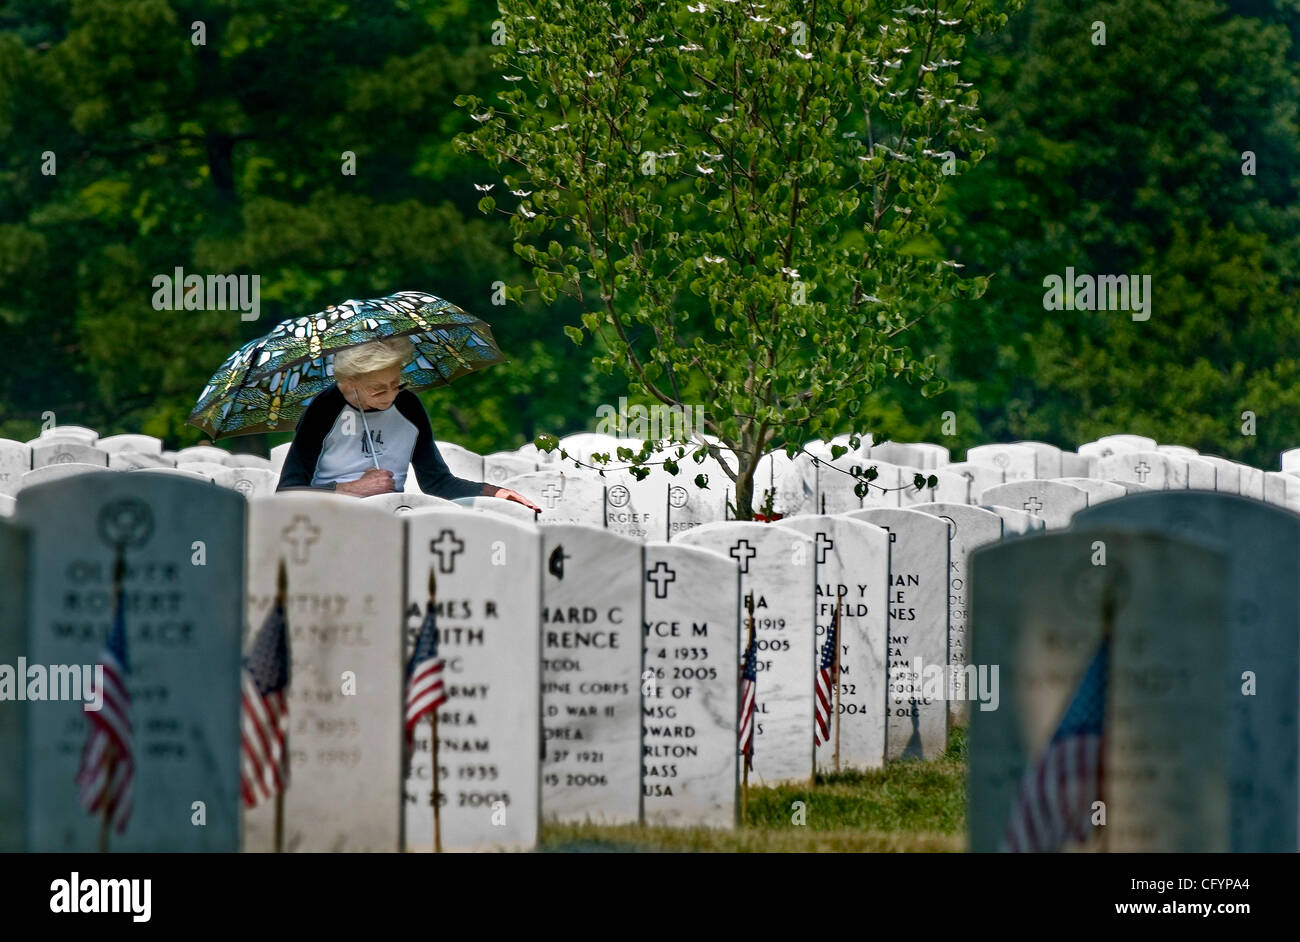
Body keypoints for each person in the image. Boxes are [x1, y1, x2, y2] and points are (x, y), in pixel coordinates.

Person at [276, 337, 541, 511]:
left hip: (393, 516)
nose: (391, 396)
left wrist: (494, 493)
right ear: (348, 383)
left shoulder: (408, 406)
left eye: (396, 383)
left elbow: (438, 483)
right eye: (378, 389)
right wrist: (351, 489)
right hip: (328, 520)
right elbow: (287, 491)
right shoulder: (324, 409)